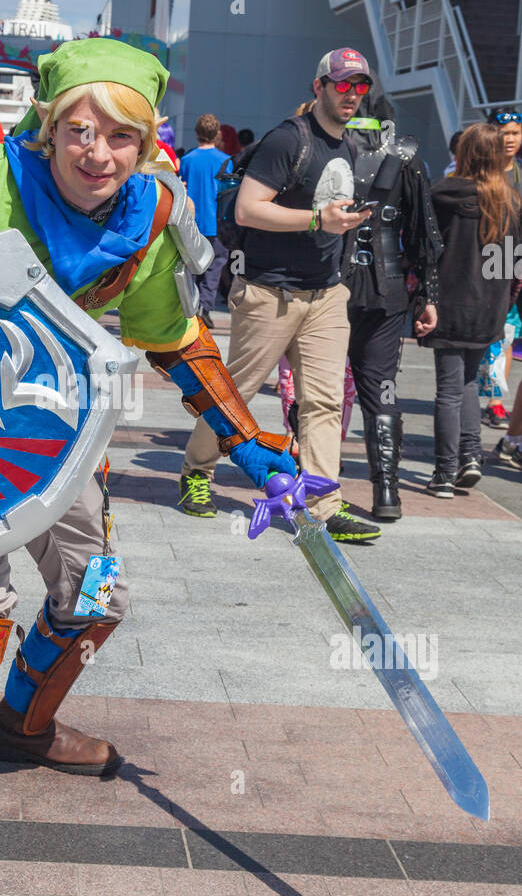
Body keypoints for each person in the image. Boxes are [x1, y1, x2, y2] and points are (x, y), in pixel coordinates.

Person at [0, 38, 296, 896]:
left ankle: (21, 725)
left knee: (96, 593)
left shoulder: (147, 220)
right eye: (82, 131)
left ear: (146, 145)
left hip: (52, 436)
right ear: (51, 128)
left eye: (122, 137)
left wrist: (260, 446)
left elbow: (173, 335)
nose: (99, 154)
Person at [180, 49, 383, 540]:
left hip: (326, 293)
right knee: (236, 393)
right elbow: (249, 209)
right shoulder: (287, 139)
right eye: (343, 85)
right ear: (320, 87)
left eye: (360, 86)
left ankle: (325, 503)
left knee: (324, 402)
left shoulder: (351, 145)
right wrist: (318, 220)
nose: (352, 94)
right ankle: (197, 473)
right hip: (270, 292)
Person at [341, 91, 442, 519]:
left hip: (330, 283)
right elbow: (425, 232)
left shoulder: (325, 145)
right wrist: (427, 296)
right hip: (386, 290)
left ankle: (312, 479)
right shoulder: (407, 155)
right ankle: (387, 493)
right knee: (381, 389)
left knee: (320, 390)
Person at [424, 123, 521, 497]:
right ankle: (470, 457)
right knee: (466, 384)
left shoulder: (442, 195)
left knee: (449, 389)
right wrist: (504, 305)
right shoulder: (510, 201)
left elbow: (427, 250)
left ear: (464, 153)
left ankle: (446, 471)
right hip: (490, 307)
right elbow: (513, 265)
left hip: (448, 302)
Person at [482, 109, 522, 428]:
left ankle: (496, 399)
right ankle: (479, 391)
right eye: (504, 132)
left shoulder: (520, 175)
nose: (509, 139)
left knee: (506, 333)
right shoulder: (479, 174)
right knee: (486, 335)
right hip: (479, 262)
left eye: (515, 133)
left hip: (512, 262)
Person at [179, 114, 229, 327]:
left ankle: (190, 305)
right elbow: (228, 192)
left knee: (190, 264)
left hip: (192, 221)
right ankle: (205, 307)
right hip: (216, 221)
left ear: (197, 133)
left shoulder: (187, 160)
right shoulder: (224, 160)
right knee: (214, 265)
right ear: (217, 134)